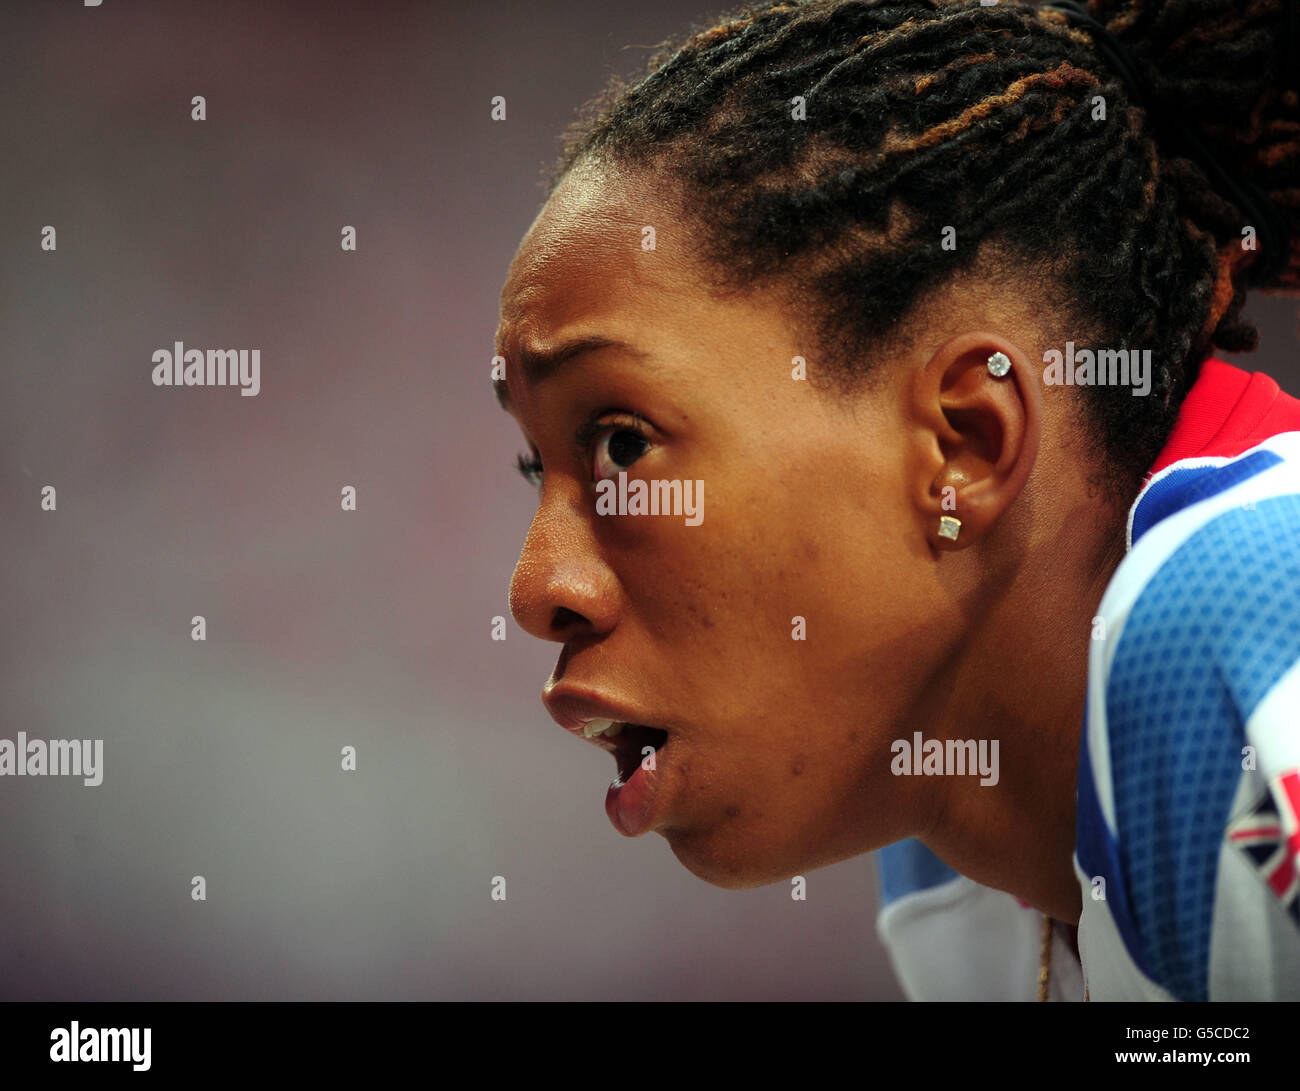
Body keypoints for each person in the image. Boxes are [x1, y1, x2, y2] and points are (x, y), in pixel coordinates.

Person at [492, 0, 1300, 1000]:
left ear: (965, 441)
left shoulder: (1245, 633)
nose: (537, 590)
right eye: (539, 468)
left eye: (624, 442)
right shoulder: (952, 835)